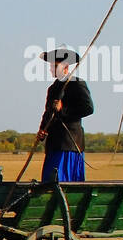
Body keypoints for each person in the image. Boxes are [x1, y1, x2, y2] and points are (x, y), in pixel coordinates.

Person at [36, 47, 94, 182]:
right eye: (51, 65)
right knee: (48, 182)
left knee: (63, 182)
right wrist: (42, 129)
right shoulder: (52, 88)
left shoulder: (77, 83)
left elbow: (88, 108)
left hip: (69, 144)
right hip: (54, 144)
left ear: (66, 67)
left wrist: (63, 109)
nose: (51, 68)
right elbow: (48, 113)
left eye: (55, 65)